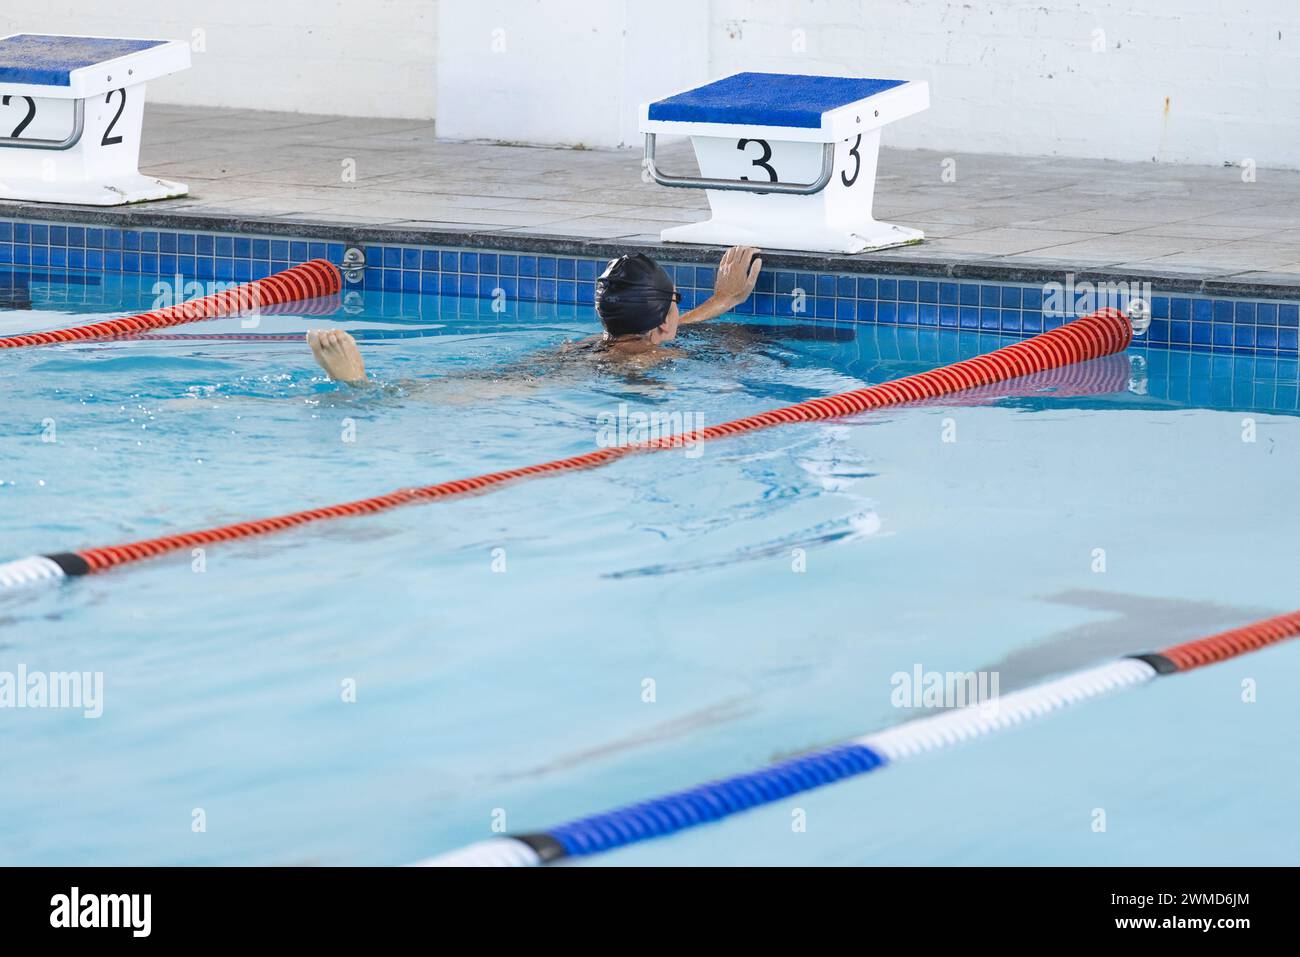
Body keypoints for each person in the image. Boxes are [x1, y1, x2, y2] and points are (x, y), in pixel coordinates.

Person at [306, 245, 763, 384]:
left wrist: (721, 302)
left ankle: (364, 387)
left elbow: (660, 327)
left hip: (533, 374)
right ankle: (360, 388)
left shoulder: (594, 342)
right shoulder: (653, 361)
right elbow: (664, 336)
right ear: (665, 319)